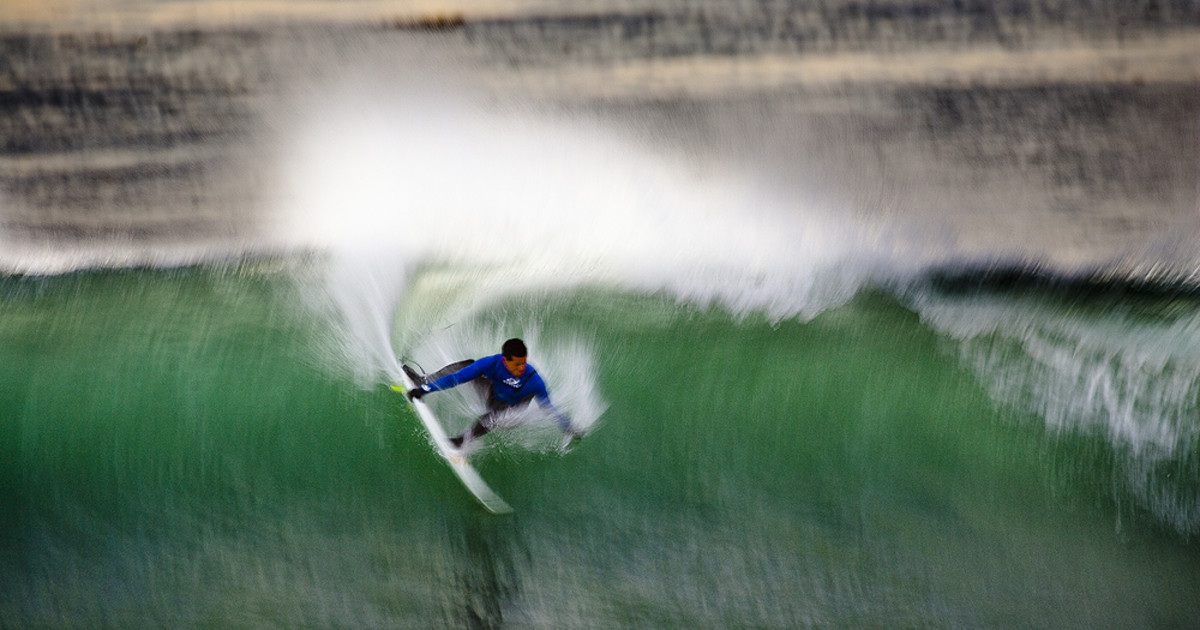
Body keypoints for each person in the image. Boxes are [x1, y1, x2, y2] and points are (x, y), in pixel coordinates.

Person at [406, 338, 579, 448]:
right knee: (465, 365)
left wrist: (568, 427)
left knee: (495, 415)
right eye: (517, 364)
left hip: (513, 413)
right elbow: (457, 378)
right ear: (505, 360)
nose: (522, 368)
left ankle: (462, 441)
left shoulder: (533, 380)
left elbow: (549, 407)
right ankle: (423, 381)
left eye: (524, 363)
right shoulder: (491, 363)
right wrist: (424, 390)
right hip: (493, 396)